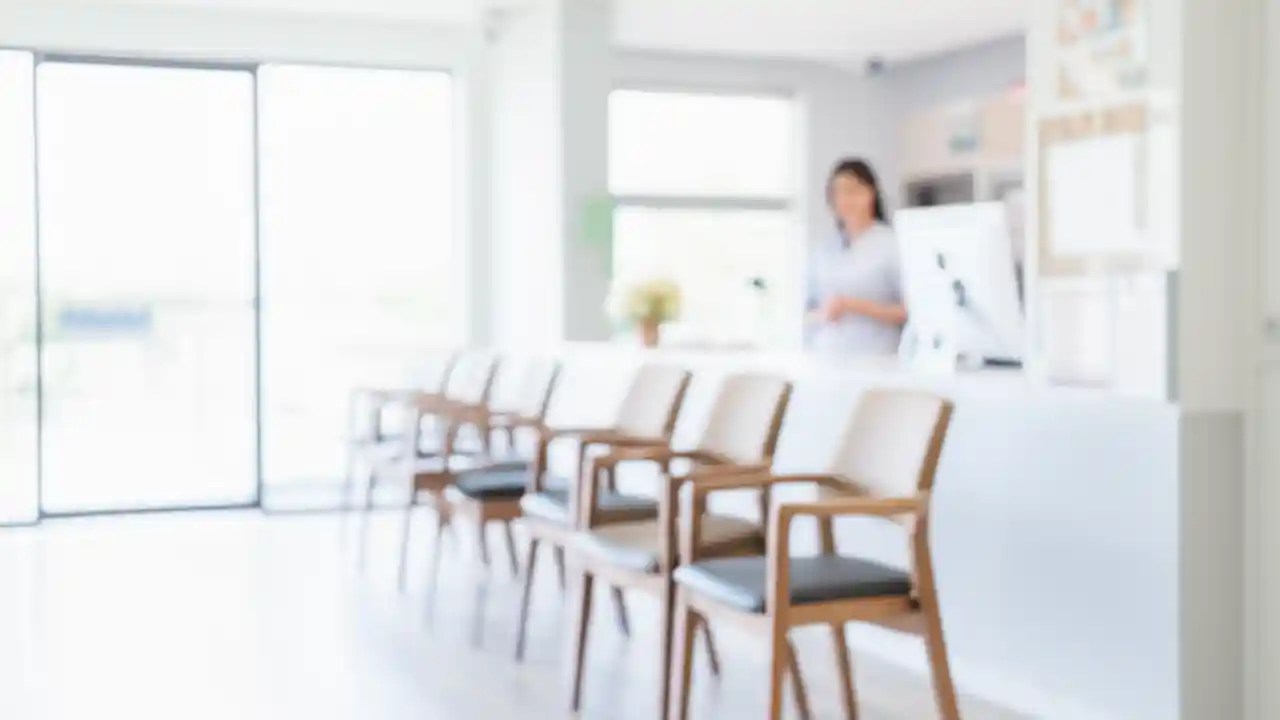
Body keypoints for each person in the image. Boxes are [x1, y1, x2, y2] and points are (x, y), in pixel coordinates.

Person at [805, 158, 907, 354]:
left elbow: (910, 310)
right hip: (826, 353)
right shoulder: (825, 248)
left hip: (876, 356)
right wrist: (823, 314)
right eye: (838, 193)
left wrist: (857, 306)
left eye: (852, 191)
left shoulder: (891, 244)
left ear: (871, 193)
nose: (845, 200)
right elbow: (809, 310)